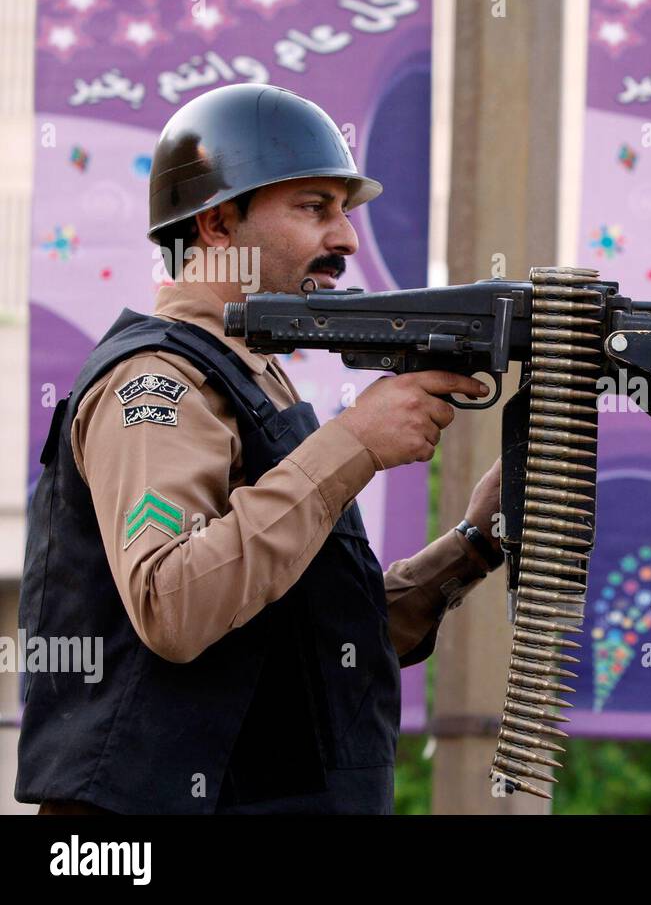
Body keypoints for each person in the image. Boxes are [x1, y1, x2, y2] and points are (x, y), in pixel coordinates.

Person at [15, 83, 503, 814]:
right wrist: (355, 442)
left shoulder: (252, 380)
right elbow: (174, 605)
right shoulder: (157, 381)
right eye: (314, 208)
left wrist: (473, 543)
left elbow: (321, 641)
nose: (345, 240)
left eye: (344, 212)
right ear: (215, 223)